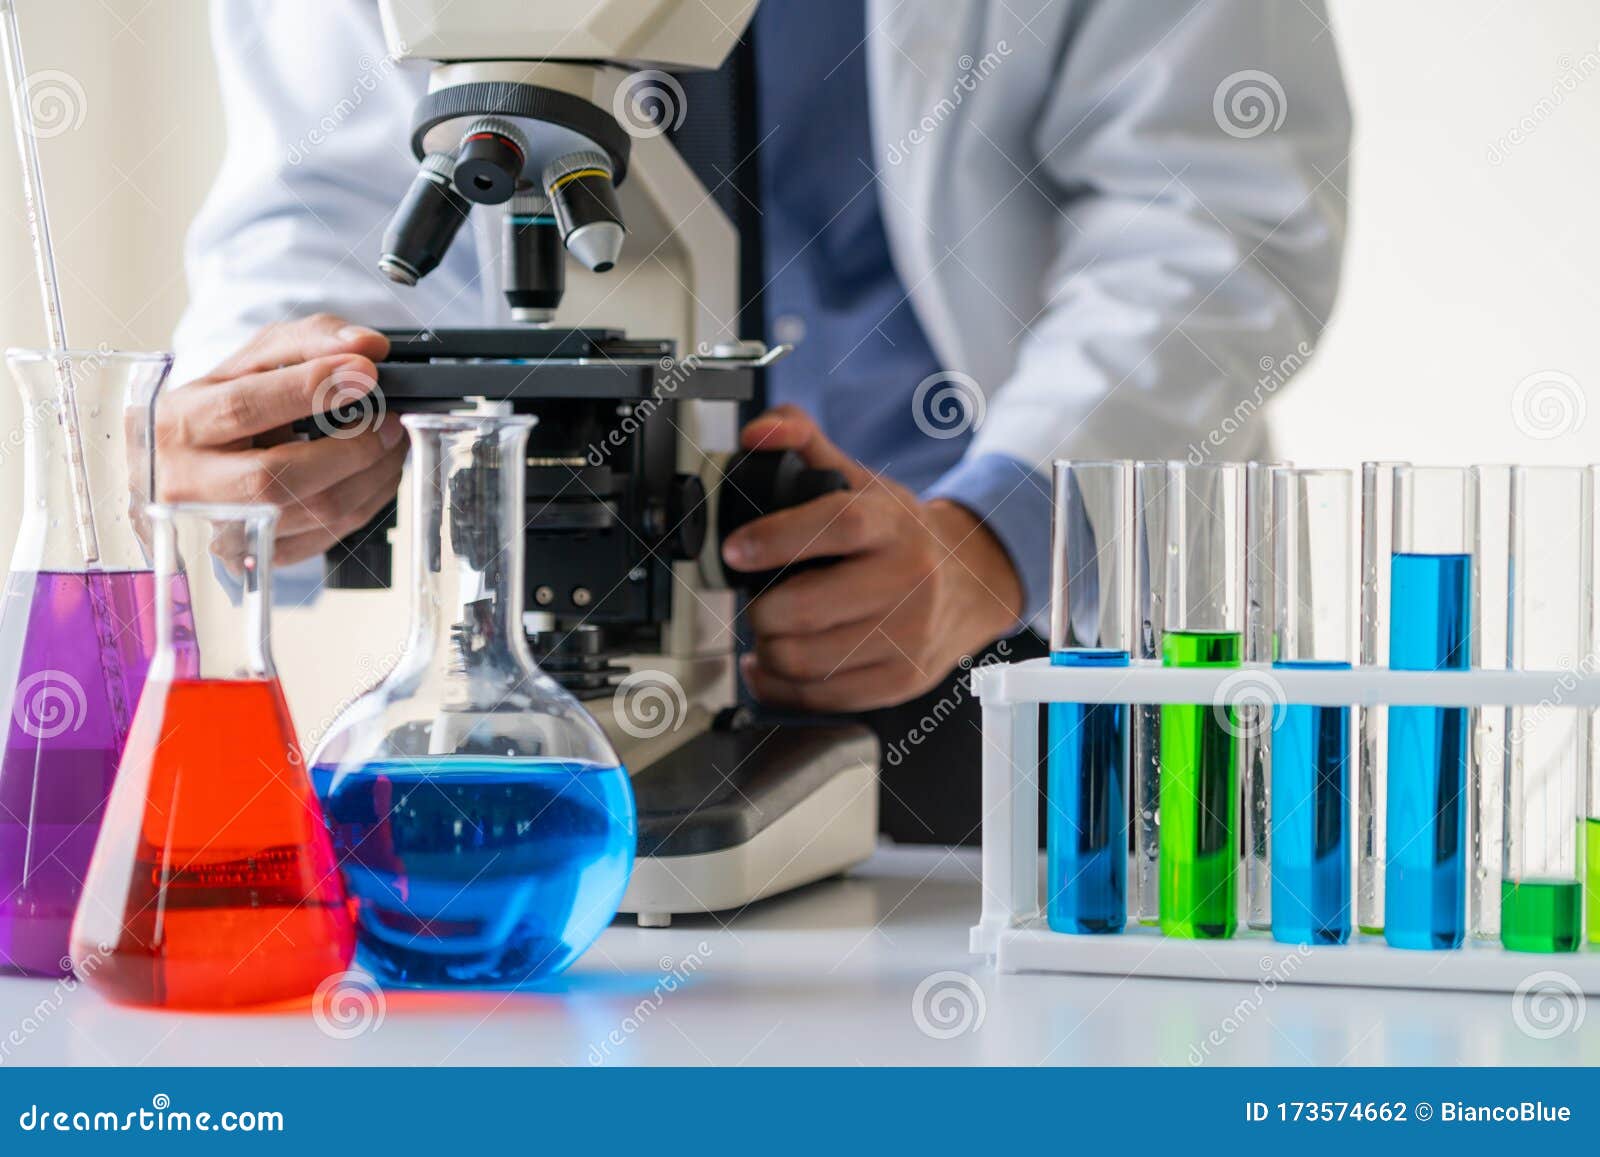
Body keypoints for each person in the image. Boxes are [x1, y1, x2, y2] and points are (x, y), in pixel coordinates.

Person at [166, 0, 1350, 843]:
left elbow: (1216, 210)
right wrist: (270, 425)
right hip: (561, 667)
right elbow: (316, 199)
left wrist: (993, 540)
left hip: (1026, 651)